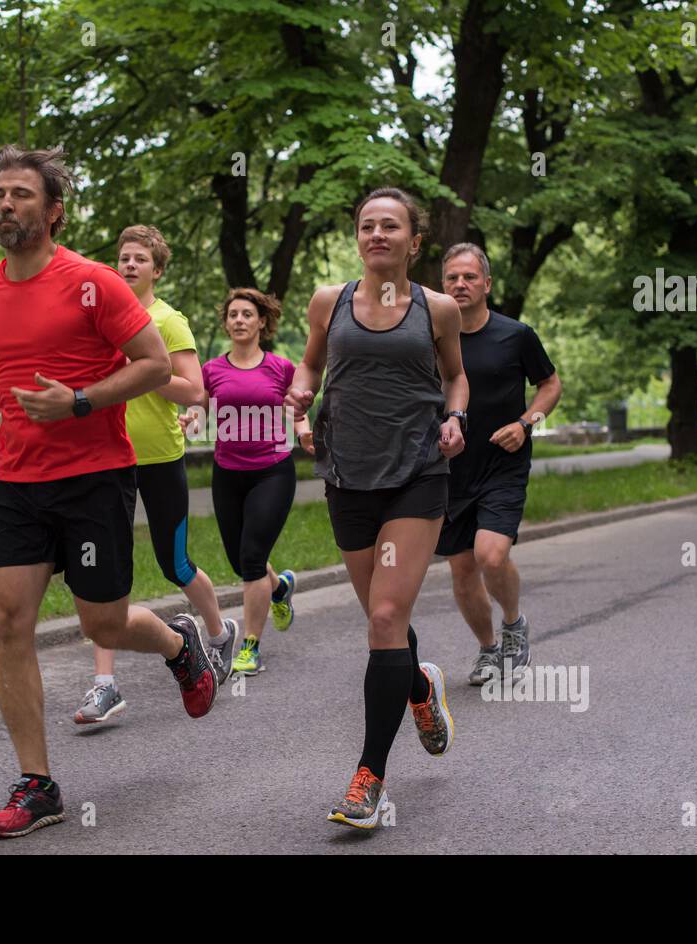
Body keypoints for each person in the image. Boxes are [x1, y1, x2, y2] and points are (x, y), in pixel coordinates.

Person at [0, 146, 219, 840]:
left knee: (103, 624)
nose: (6, 204)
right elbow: (4, 364)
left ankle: (177, 643)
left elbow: (154, 365)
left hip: (94, 476)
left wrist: (78, 402)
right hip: (16, 479)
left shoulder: (95, 282)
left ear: (54, 211)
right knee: (9, 622)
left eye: (22, 194)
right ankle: (38, 785)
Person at [286, 188, 469, 829]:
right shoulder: (327, 303)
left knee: (386, 616)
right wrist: (299, 399)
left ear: (414, 242)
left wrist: (455, 416)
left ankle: (369, 781)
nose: (378, 235)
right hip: (347, 475)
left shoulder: (437, 308)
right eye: (367, 226)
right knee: (382, 618)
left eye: (391, 226)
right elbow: (310, 367)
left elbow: (455, 376)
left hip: (416, 474)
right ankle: (419, 687)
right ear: (357, 238)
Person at [74, 224, 237, 725]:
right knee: (106, 578)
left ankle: (217, 635)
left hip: (160, 458)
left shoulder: (168, 321)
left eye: (139, 258)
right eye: (123, 257)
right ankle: (105, 686)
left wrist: (144, 366)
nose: (128, 265)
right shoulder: (101, 319)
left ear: (157, 269)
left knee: (175, 564)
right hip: (107, 459)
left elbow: (194, 393)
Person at [435, 243, 561, 684]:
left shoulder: (516, 335)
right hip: (449, 469)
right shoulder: (433, 340)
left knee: (490, 555)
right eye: (452, 278)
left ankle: (513, 624)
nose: (460, 284)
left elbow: (550, 385)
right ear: (443, 285)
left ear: (486, 284)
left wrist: (527, 424)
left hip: (502, 463)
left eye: (469, 277)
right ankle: (488, 650)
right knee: (461, 567)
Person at [187, 288, 307, 676]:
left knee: (251, 559)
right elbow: (198, 407)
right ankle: (279, 590)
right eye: (233, 315)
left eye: (247, 315)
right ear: (226, 323)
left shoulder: (280, 367)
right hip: (227, 473)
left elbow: (297, 407)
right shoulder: (211, 369)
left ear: (261, 323)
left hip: (272, 470)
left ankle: (250, 646)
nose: (239, 320)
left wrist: (303, 429)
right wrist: (190, 419)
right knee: (239, 557)